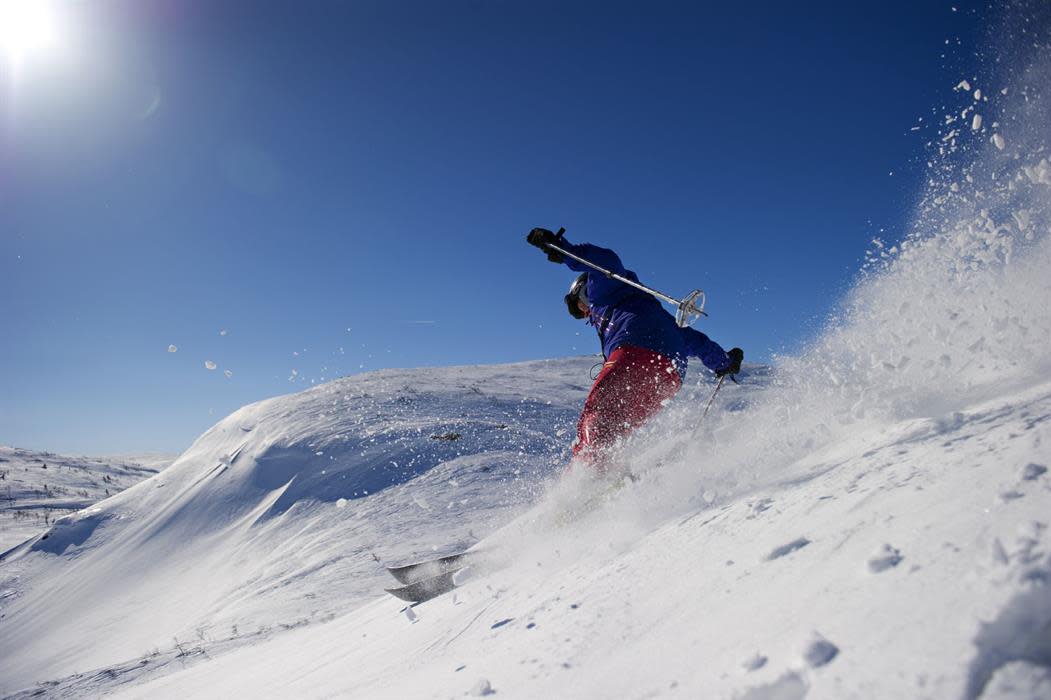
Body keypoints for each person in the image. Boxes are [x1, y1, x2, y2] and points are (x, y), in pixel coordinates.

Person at [526, 227, 743, 470]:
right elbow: (696, 342)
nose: (587, 310)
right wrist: (724, 361)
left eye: (583, 302)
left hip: (634, 354)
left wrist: (564, 249)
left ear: (587, 289)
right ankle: (613, 478)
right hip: (669, 377)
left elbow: (605, 259)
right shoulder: (658, 319)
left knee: (596, 412)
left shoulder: (605, 289)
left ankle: (586, 476)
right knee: (616, 428)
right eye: (582, 312)